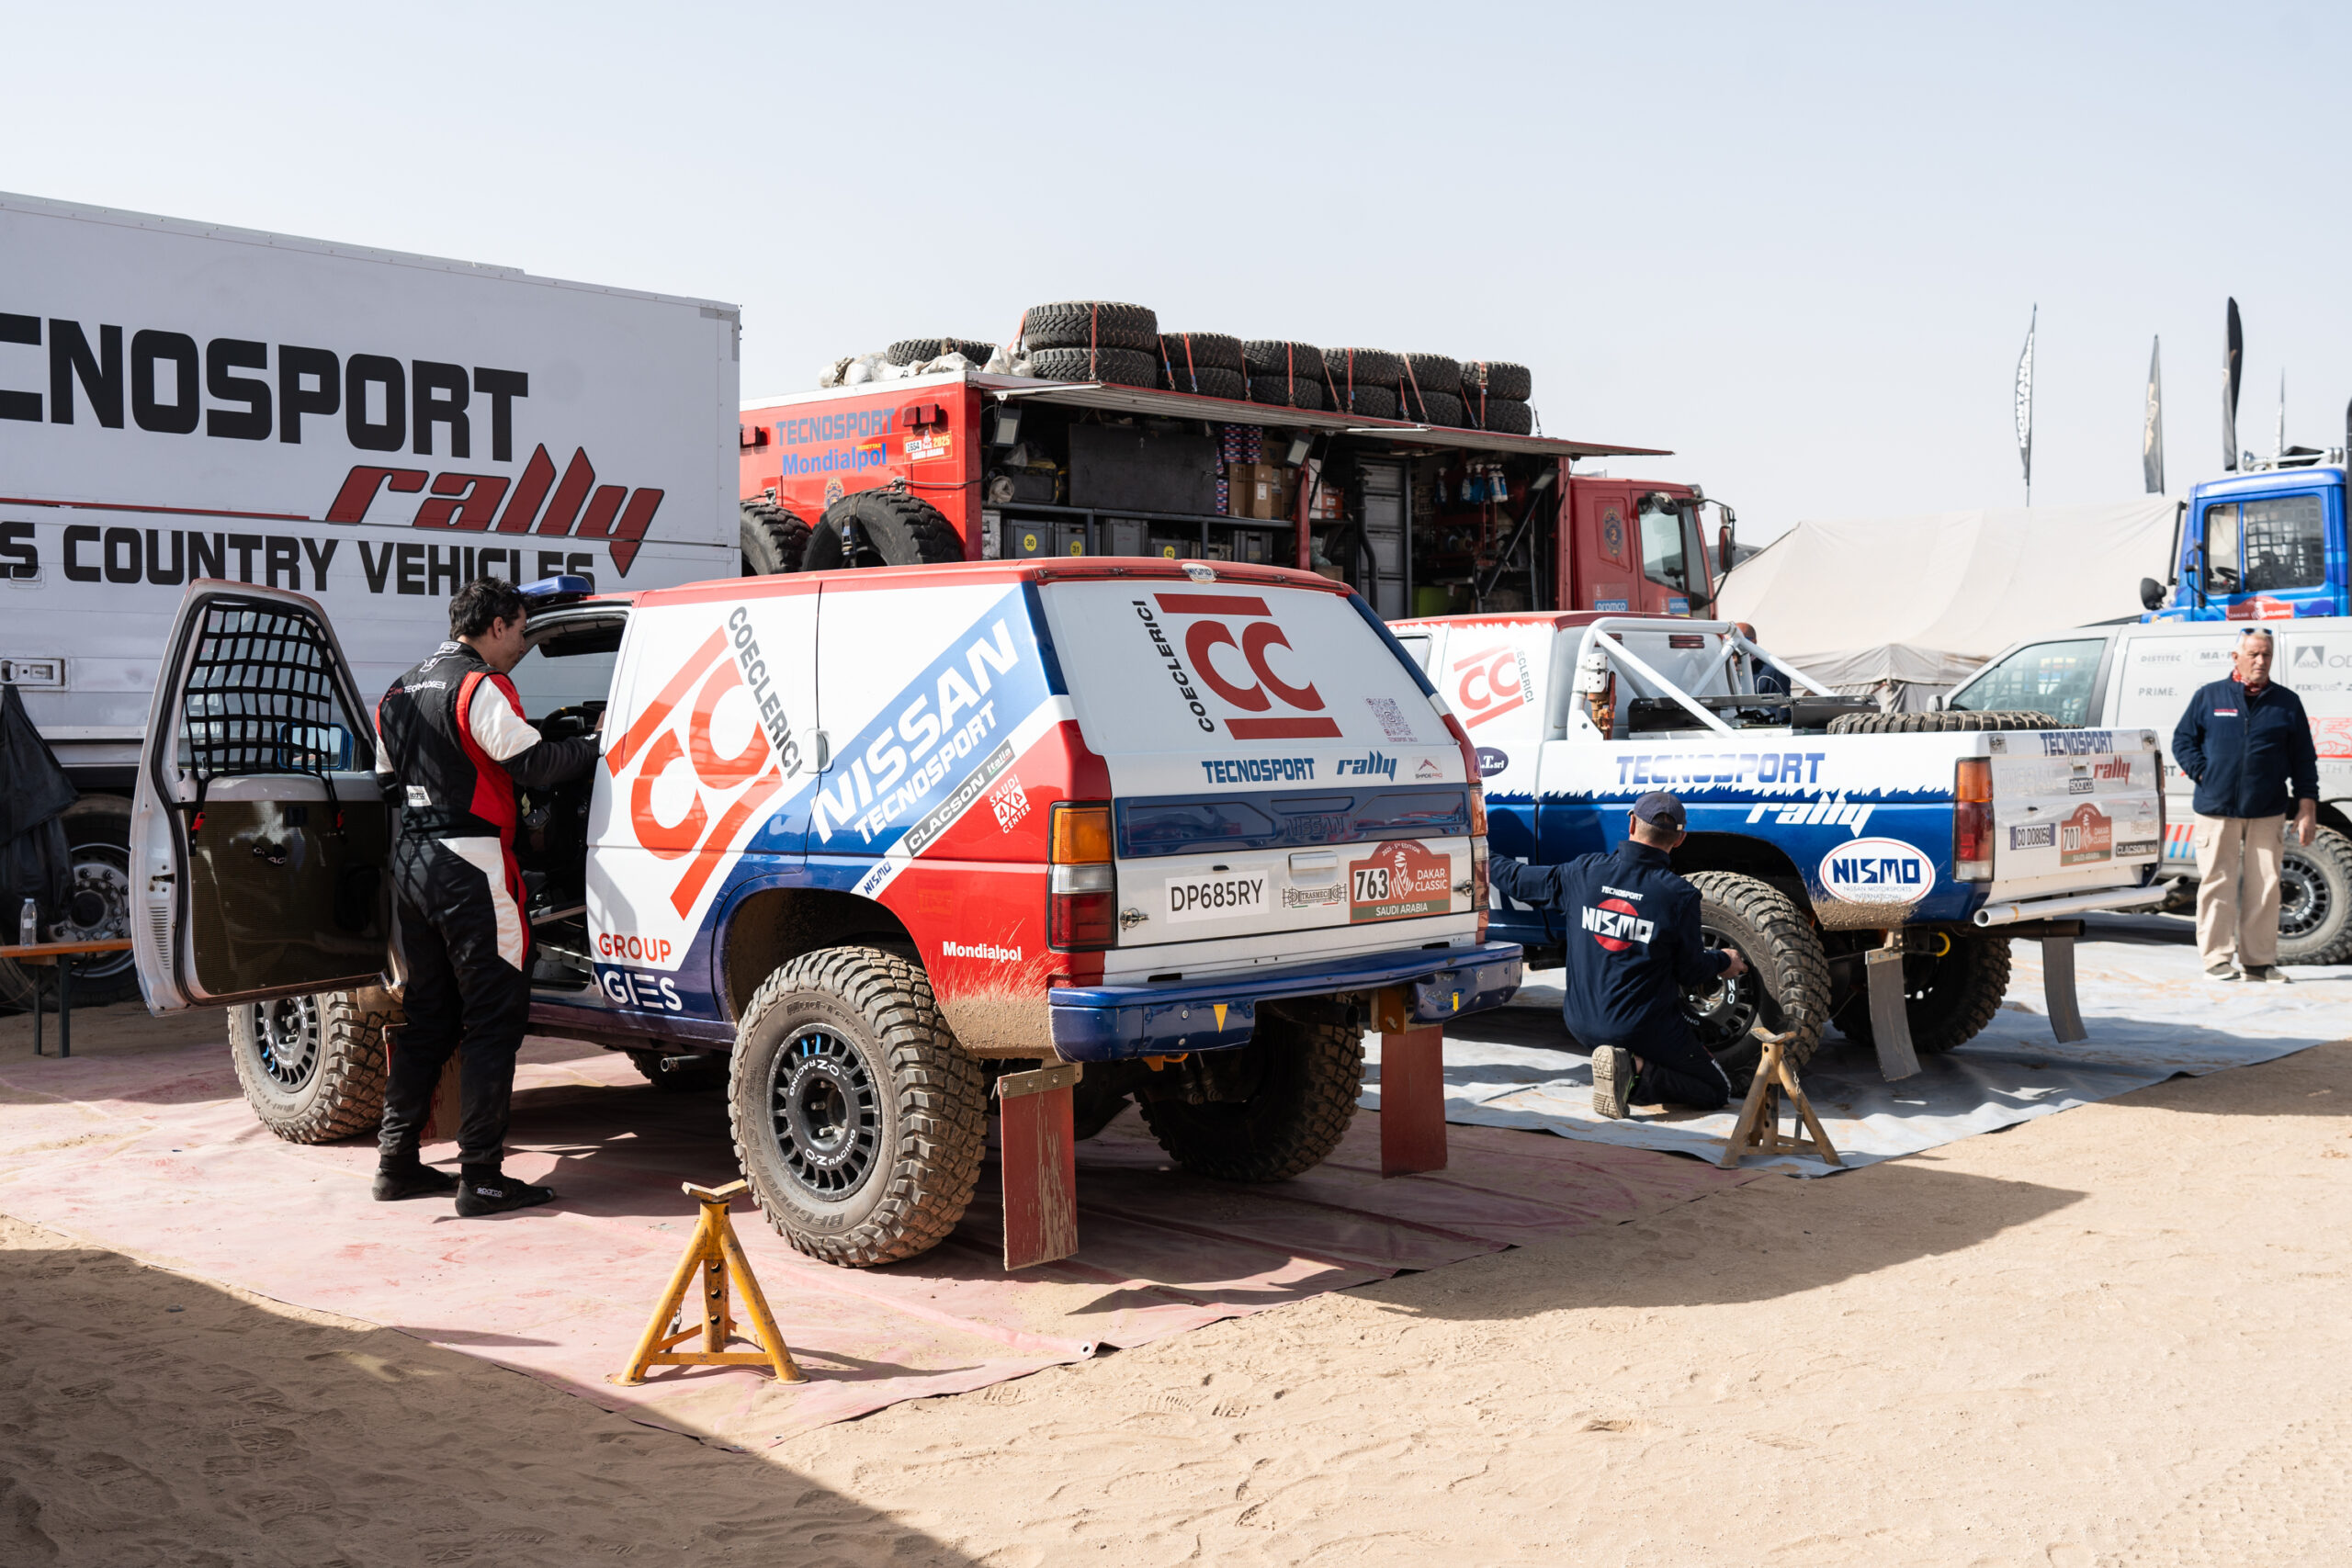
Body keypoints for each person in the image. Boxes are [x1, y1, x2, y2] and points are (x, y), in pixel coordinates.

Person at [371, 580, 600, 1214]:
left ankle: (396, 1163)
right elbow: (534, 764)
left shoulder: (397, 690)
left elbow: (387, 784)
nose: (522, 644)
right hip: (472, 864)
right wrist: (599, 743)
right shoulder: (478, 686)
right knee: (493, 1019)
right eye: (522, 631)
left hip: (412, 866)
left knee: (429, 1018)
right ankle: (483, 1177)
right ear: (496, 625)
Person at [1489, 791, 1748, 1118]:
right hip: (1639, 1028)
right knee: (1717, 1089)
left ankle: (1622, 1066)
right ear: (1680, 839)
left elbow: (1515, 879)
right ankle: (1634, 1070)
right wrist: (1725, 960)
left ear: (1630, 824)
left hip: (1580, 1023)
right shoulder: (1679, 896)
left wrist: (1476, 852)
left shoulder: (1583, 872)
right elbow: (1691, 971)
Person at [2171, 626, 2320, 984]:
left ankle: (2258, 962)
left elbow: (2303, 758)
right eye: (2253, 653)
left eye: (2266, 654)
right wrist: (2205, 774)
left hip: (2266, 809)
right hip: (2216, 808)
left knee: (2265, 886)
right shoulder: (2210, 696)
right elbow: (2183, 741)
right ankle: (2217, 959)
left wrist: (2307, 806)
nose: (2260, 660)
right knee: (2217, 884)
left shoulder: (2286, 702)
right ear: (2235, 657)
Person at [1733, 622, 1790, 695]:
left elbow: (1780, 706)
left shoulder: (1773, 673)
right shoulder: (1722, 671)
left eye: (1739, 641)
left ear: (1753, 642)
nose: (1732, 645)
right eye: (1727, 641)